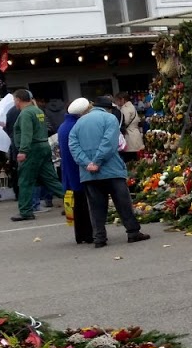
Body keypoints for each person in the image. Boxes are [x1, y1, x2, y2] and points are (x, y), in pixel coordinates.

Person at [69, 95, 149, 248]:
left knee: (96, 207)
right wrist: (97, 161)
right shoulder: (109, 119)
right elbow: (110, 143)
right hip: (111, 170)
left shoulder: (77, 124)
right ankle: (133, 232)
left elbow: (73, 147)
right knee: (123, 203)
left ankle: (99, 238)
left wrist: (88, 164)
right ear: (108, 108)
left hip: (89, 173)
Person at [10, 90, 63, 222]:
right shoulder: (38, 110)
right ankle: (75, 201)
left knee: (25, 181)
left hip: (32, 149)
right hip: (43, 146)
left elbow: (27, 132)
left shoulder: (26, 113)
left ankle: (25, 211)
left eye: (15, 100)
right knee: (51, 179)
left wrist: (23, 151)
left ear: (18, 100)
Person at [57, 98, 94, 244]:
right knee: (83, 204)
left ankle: (81, 235)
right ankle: (87, 234)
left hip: (70, 170)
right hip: (78, 170)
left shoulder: (64, 126)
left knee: (78, 204)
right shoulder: (76, 126)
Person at [116, 91, 145, 163]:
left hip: (130, 136)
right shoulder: (131, 106)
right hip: (135, 134)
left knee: (130, 160)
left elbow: (124, 122)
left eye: (117, 100)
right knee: (136, 159)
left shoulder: (125, 108)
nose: (116, 102)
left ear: (122, 99)